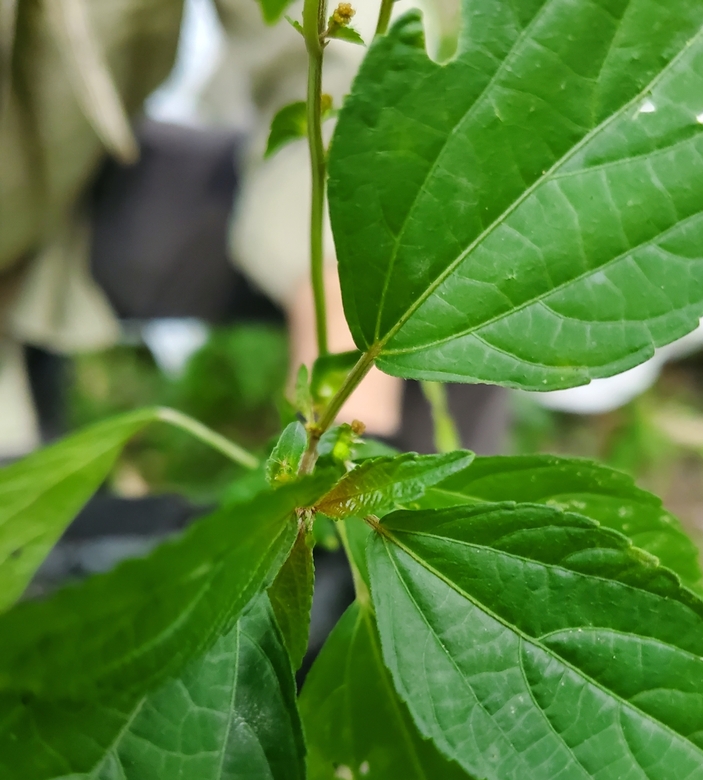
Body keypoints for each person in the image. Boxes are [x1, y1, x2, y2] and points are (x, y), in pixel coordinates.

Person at [1, 0, 514, 461]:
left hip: (60, 198)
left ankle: (416, 528)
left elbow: (329, 52)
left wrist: (351, 259)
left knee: (454, 264)